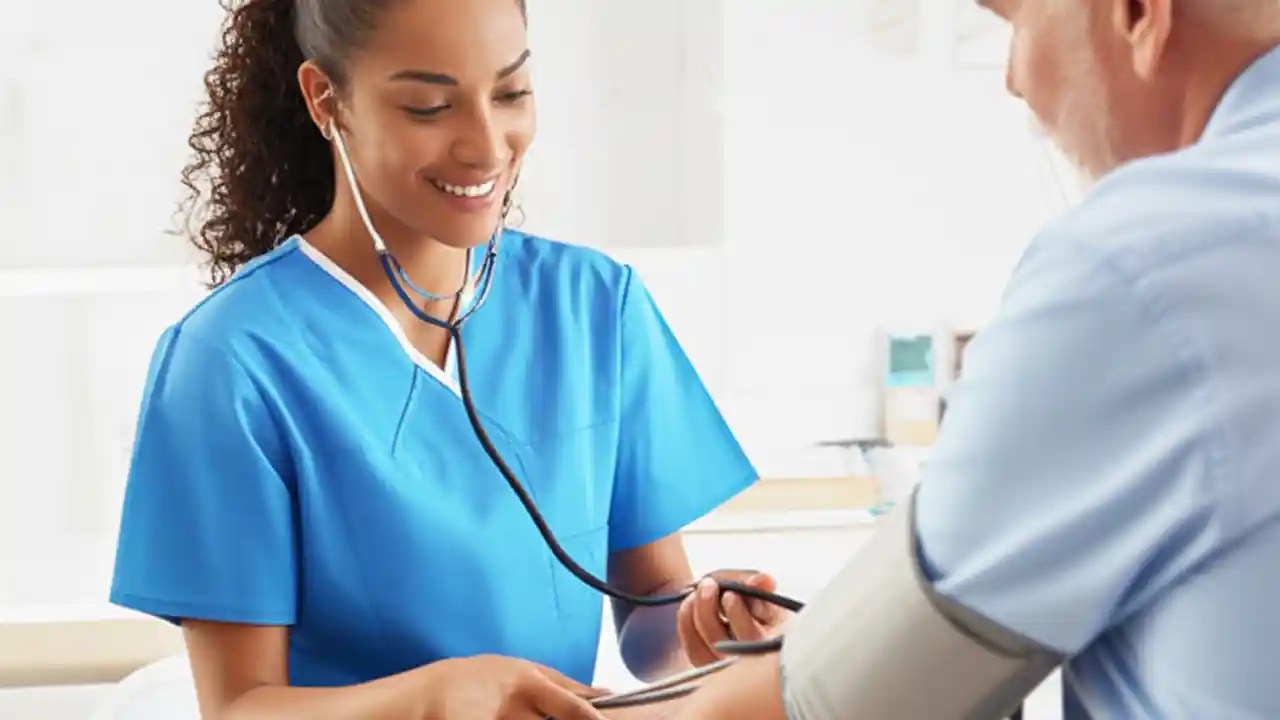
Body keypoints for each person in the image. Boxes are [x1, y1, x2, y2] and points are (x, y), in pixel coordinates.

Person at [107, 0, 790, 718]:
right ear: (326, 101)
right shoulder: (231, 360)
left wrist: (707, 625)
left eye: (511, 93)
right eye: (430, 106)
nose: (488, 146)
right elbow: (240, 707)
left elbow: (650, 611)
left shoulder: (596, 306)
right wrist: (434, 698)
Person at [673, 0, 1280, 718]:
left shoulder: (1139, 262)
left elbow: (843, 708)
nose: (1014, 78)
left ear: (1138, 13)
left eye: (1017, 23)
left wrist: (812, 667)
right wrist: (830, 647)